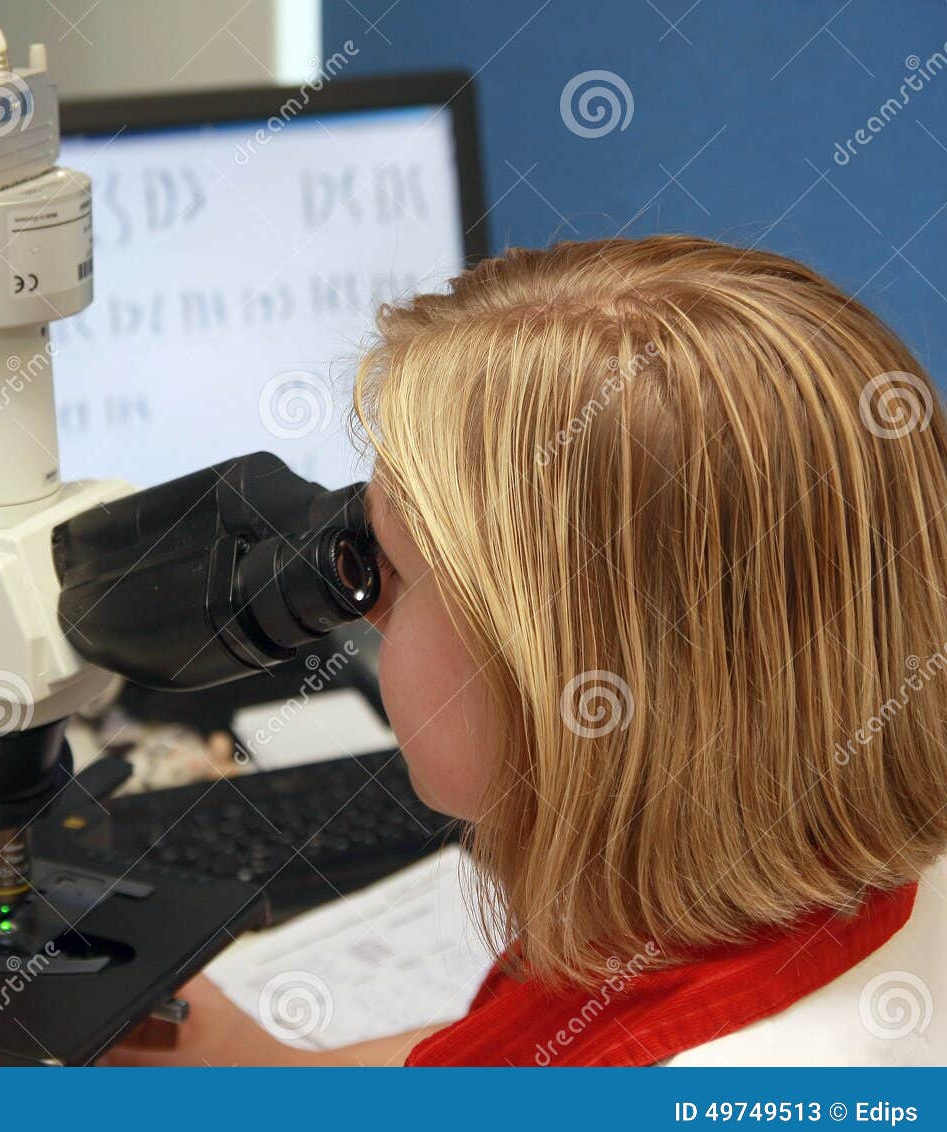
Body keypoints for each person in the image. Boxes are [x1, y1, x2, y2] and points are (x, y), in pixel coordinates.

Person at [112, 236, 947, 1066]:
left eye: (392, 571)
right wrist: (262, 1070)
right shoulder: (809, 888)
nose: (366, 617)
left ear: (556, 662)